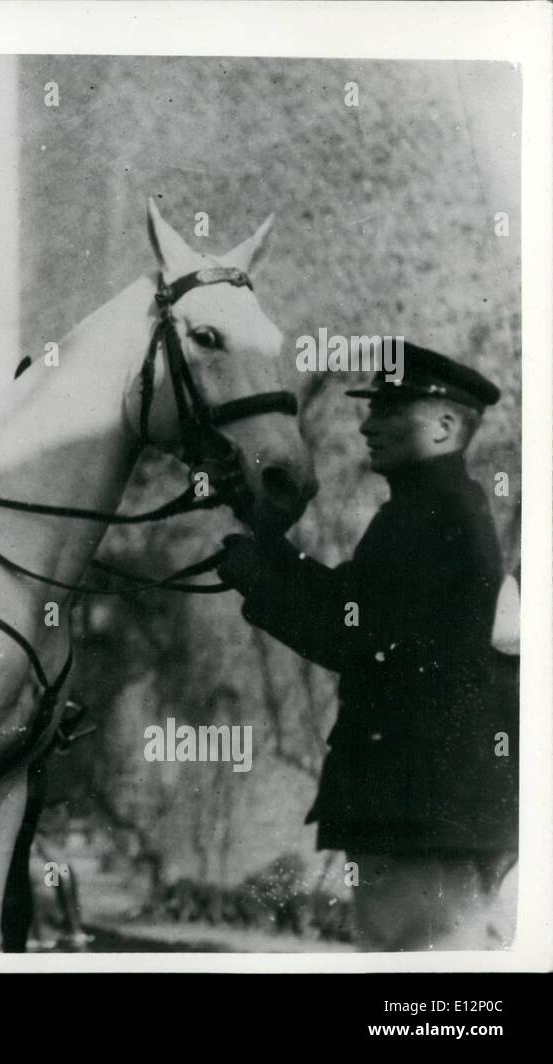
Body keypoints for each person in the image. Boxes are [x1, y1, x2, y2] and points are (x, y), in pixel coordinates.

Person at [217, 342, 517, 950]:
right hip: (420, 804)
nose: (367, 423)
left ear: (445, 424)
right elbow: (354, 603)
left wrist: (258, 573)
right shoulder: (426, 509)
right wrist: (268, 551)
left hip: (423, 807)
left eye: (389, 409)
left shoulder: (437, 515)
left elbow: (355, 636)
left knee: (424, 973)